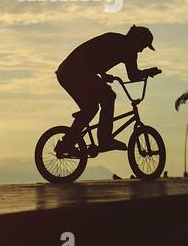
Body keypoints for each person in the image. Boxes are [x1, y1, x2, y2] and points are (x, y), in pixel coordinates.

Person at [56, 25, 160, 153]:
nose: (141, 50)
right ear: (137, 40)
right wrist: (148, 72)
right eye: (143, 46)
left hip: (70, 72)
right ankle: (104, 140)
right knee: (108, 96)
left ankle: (67, 143)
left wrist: (102, 74)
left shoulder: (125, 48)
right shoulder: (115, 42)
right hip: (73, 71)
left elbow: (129, 73)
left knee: (91, 108)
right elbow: (92, 55)